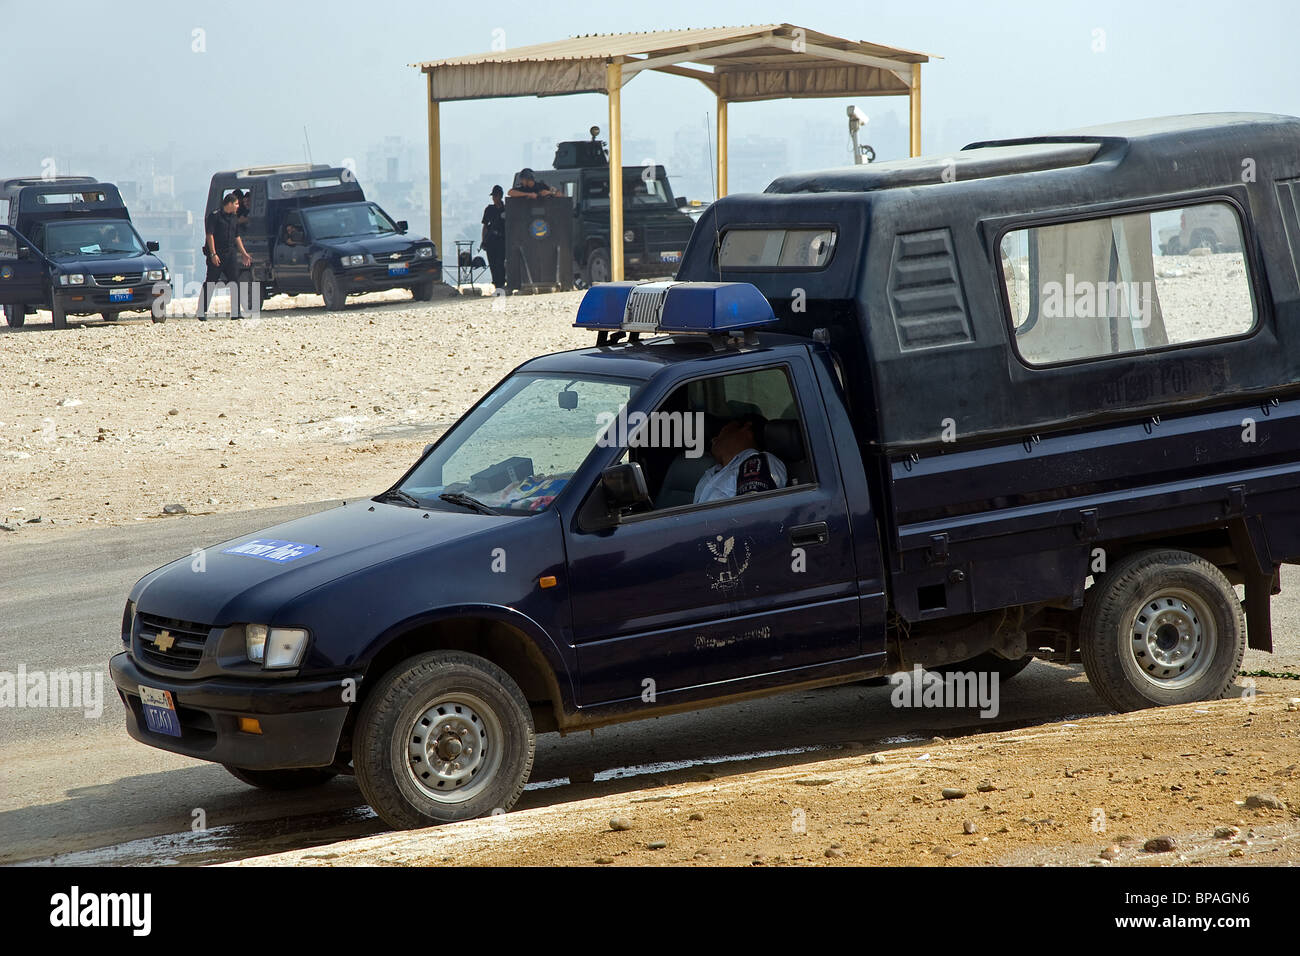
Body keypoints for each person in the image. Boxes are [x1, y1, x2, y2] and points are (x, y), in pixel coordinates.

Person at [693, 413, 788, 504]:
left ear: (746, 427)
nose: (714, 439)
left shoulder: (758, 462)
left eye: (721, 432)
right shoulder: (711, 472)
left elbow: (754, 512)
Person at [197, 191, 252, 320]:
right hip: (217, 255)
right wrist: (213, 254)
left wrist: (244, 253)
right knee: (211, 282)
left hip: (231, 254)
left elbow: (236, 236)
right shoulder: (214, 216)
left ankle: (235, 313)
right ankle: (201, 311)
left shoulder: (234, 217)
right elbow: (209, 235)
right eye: (237, 203)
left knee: (235, 282)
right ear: (229, 203)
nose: (238, 206)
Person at [480, 184, 506, 288]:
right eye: (493, 196)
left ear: (500, 196)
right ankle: (496, 284)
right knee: (493, 264)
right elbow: (485, 226)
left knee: (500, 262)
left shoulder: (506, 209)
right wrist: (484, 240)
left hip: (502, 240)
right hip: (491, 240)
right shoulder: (489, 209)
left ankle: (501, 283)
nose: (494, 199)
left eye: (496, 196)